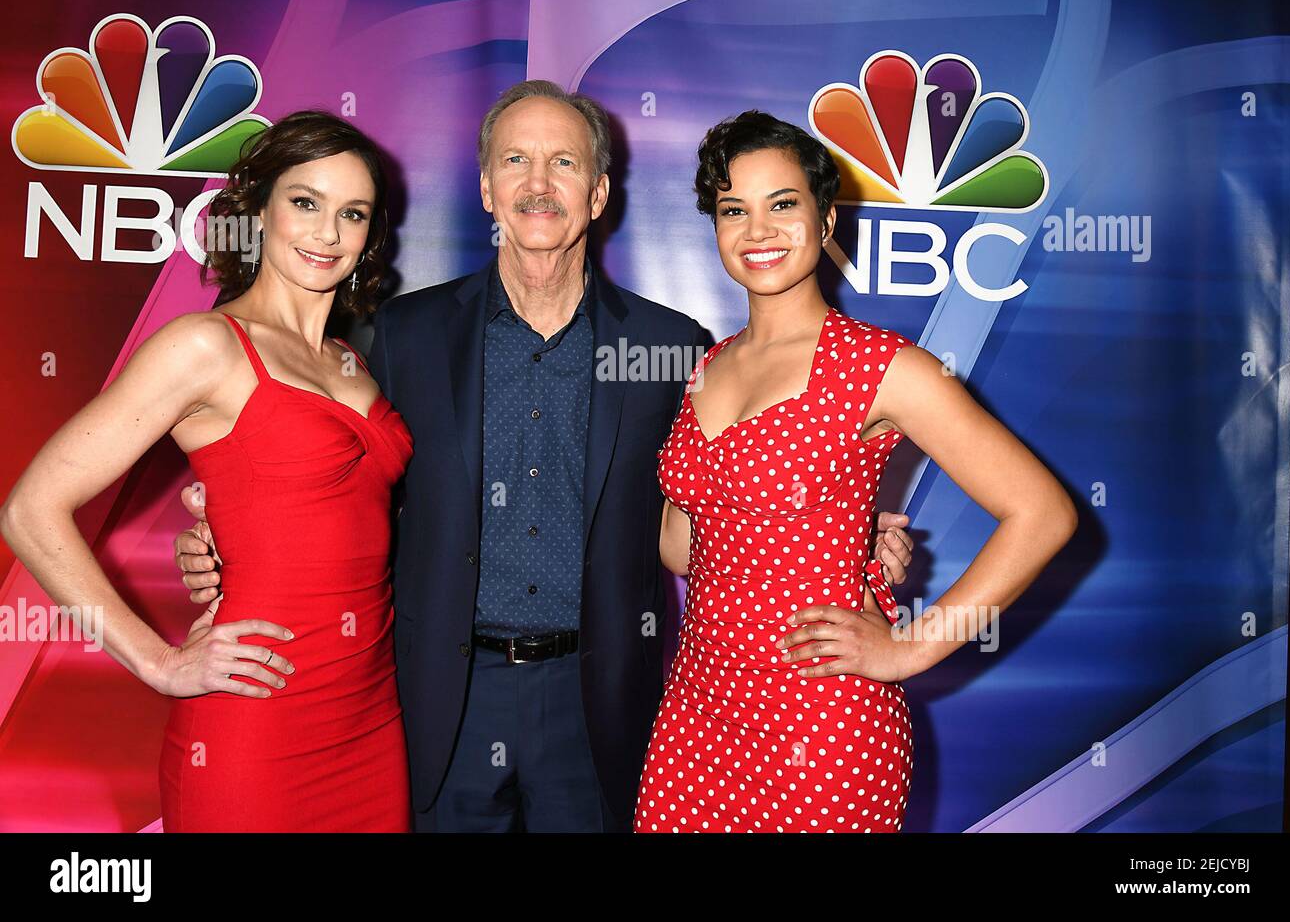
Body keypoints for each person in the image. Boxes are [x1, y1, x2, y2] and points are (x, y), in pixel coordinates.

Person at [172, 81, 915, 832]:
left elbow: (723, 497)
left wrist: (842, 530)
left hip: (596, 708)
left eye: (563, 162)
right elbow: (330, 474)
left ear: (597, 194)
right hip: (441, 702)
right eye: (515, 161)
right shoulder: (401, 335)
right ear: (489, 190)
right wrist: (221, 529)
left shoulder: (671, 348)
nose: (537, 183)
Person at [636, 110, 1078, 833]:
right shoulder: (706, 367)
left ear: (826, 217)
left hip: (823, 727)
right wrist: (837, 532)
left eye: (782, 204)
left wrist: (908, 646)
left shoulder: (883, 366)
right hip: (695, 716)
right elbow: (684, 547)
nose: (758, 229)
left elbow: (1043, 513)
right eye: (733, 209)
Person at [1, 109, 413, 831]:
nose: (327, 233)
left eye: (352, 213)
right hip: (255, 729)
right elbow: (30, 510)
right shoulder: (206, 346)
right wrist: (159, 662)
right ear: (256, 209)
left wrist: (230, 531)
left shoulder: (353, 361)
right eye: (305, 202)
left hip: (372, 724)